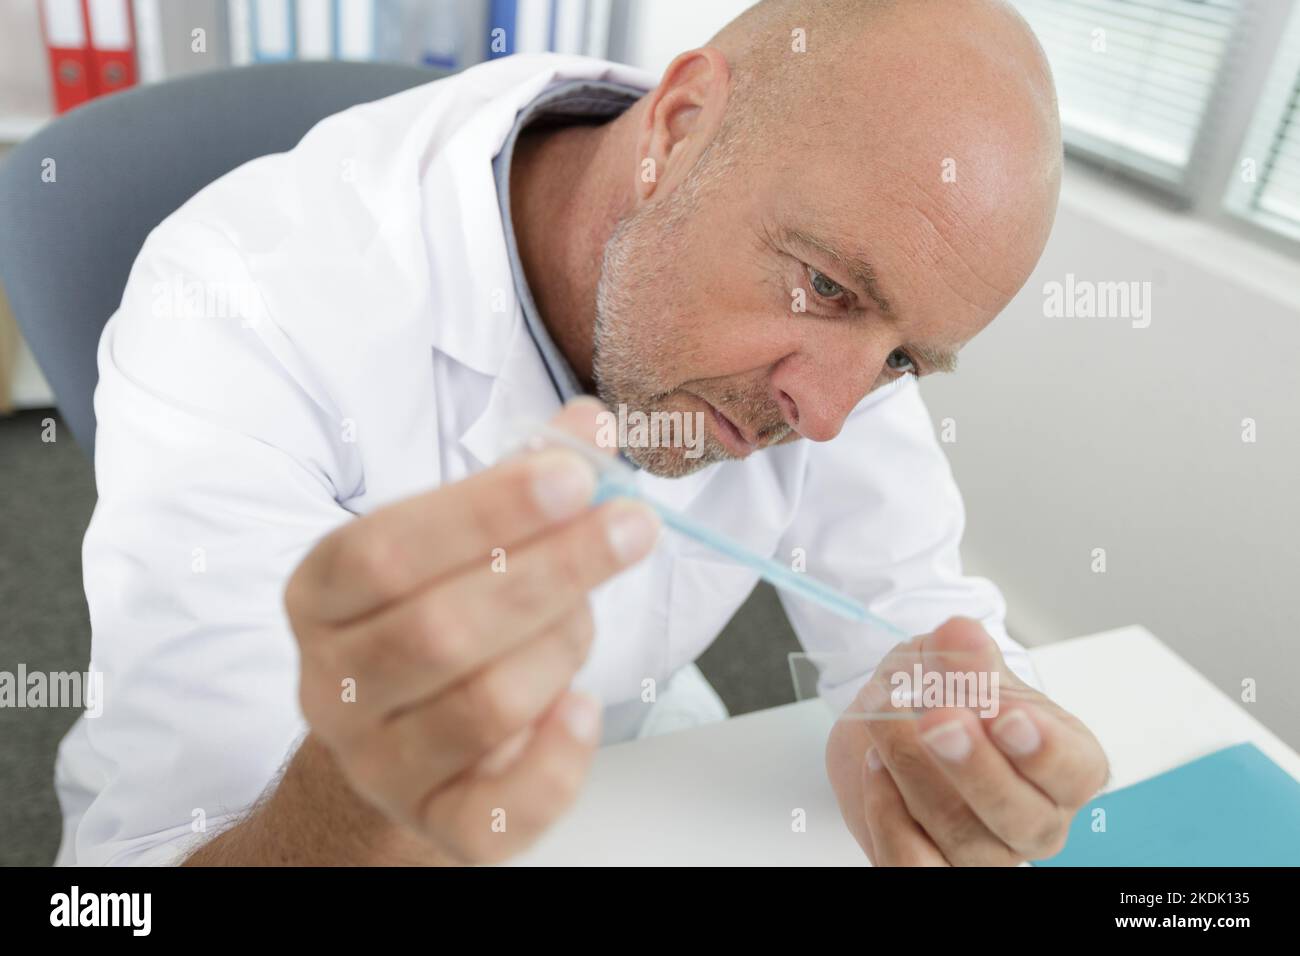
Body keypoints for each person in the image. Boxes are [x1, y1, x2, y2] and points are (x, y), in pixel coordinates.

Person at [55, 0, 1107, 866]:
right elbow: (143, 875)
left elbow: (907, 613)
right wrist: (363, 793)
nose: (827, 415)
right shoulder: (248, 299)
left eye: (902, 362)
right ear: (678, 128)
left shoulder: (844, 318)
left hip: (631, 764)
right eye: (825, 286)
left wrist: (944, 739)